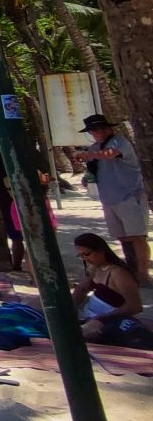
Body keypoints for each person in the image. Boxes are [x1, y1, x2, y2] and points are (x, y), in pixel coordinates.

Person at [72, 115, 149, 284]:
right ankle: (131, 269)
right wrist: (87, 176)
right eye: (93, 129)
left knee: (137, 236)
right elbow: (94, 170)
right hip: (108, 199)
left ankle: (143, 274)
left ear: (108, 128)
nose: (98, 132)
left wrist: (88, 155)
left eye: (100, 128)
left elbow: (109, 154)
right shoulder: (93, 148)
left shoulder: (119, 141)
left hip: (128, 196)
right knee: (123, 238)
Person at [70, 233, 144, 344]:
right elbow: (82, 289)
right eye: (81, 256)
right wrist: (67, 309)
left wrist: (102, 318)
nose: (85, 259)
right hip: (91, 316)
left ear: (101, 250)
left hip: (110, 320)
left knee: (74, 334)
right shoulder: (94, 267)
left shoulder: (118, 273)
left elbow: (135, 307)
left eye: (87, 254)